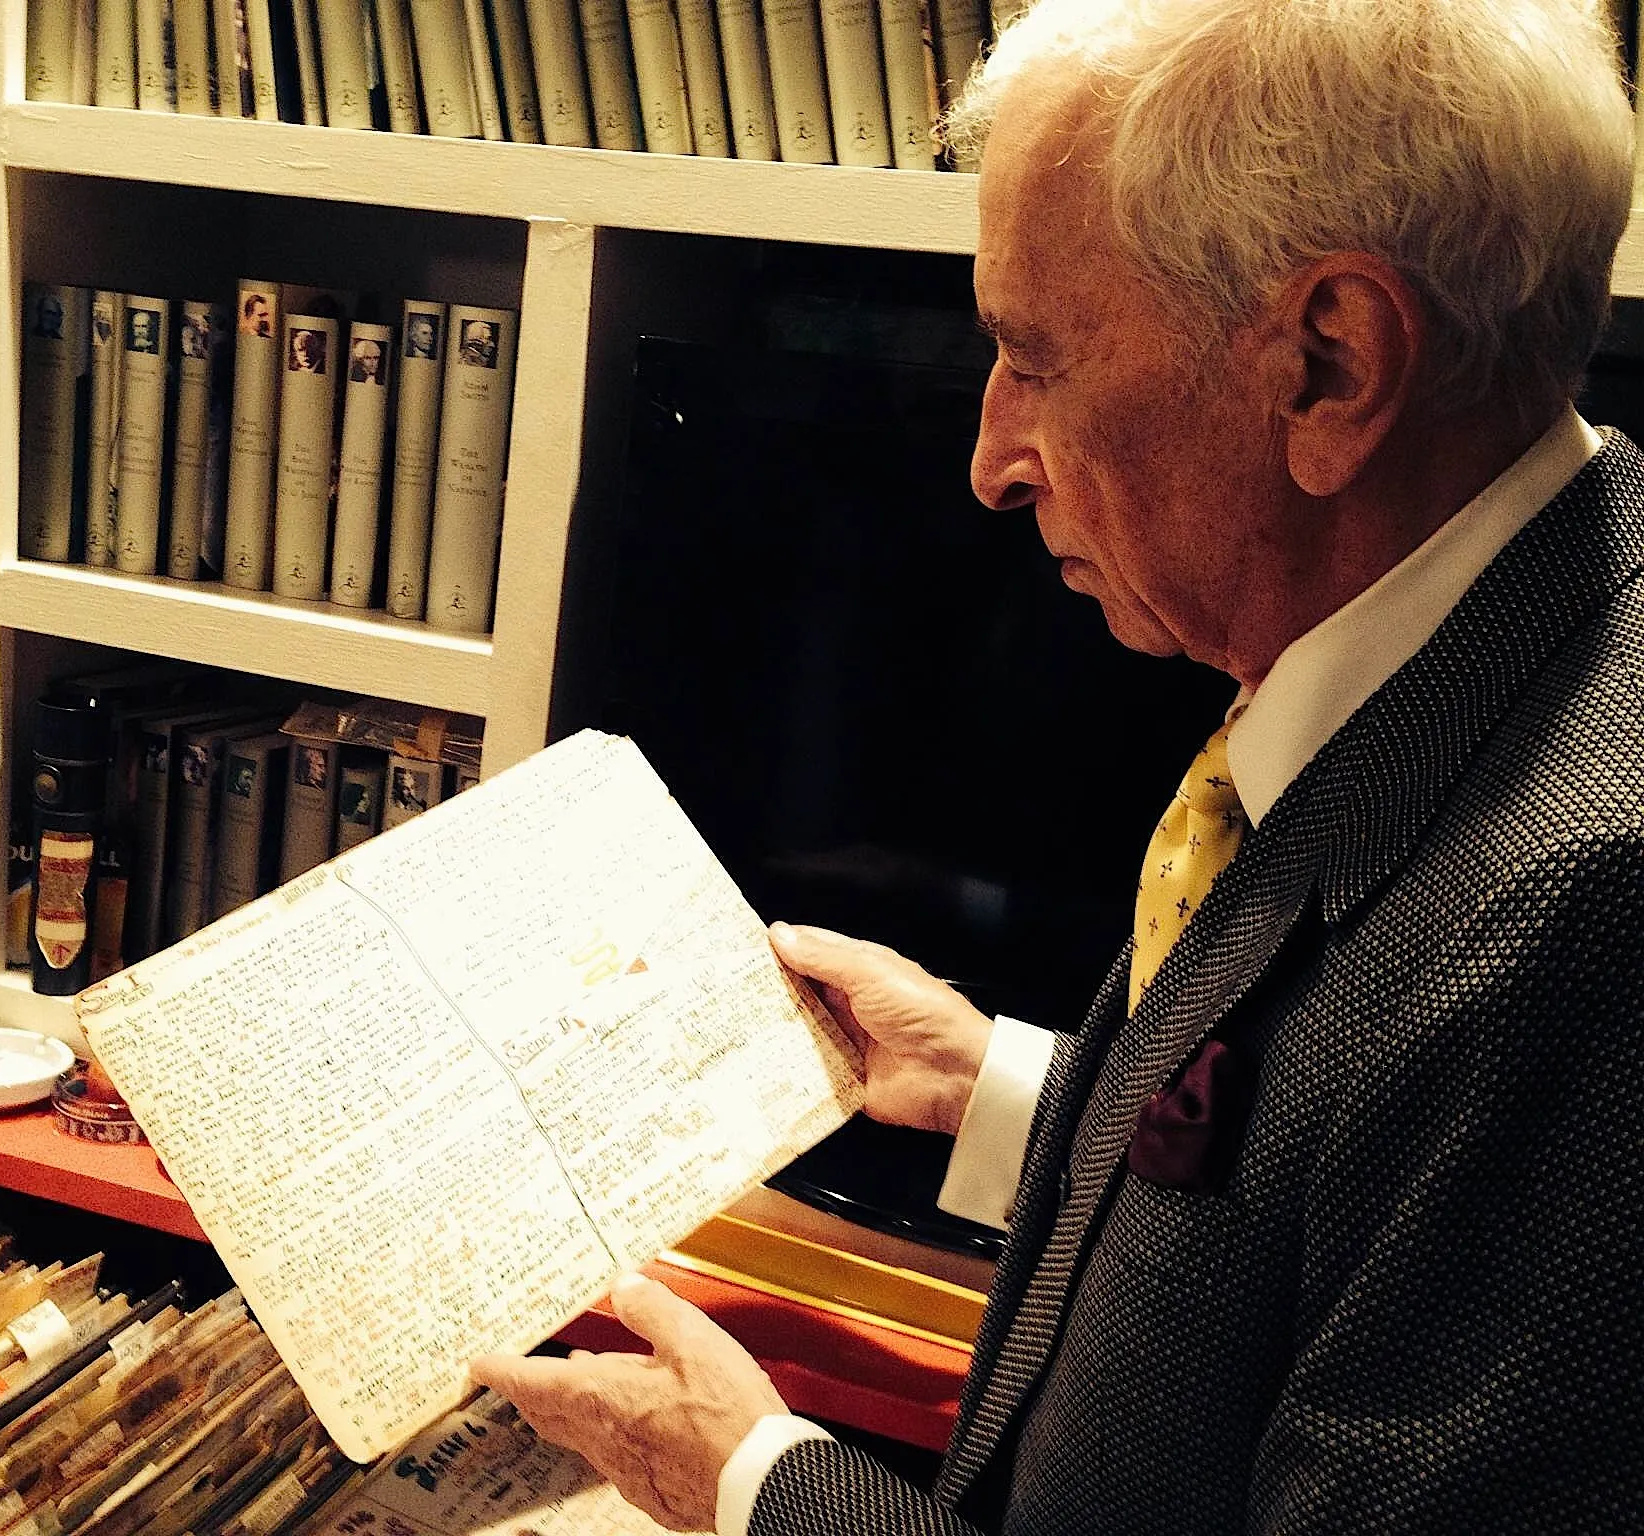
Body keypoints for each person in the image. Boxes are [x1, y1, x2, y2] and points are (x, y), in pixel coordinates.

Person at [472, 1, 1644, 1531]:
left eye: (1034, 357)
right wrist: (1009, 1094)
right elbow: (1332, 1195)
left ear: (1332, 365)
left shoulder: (1582, 921)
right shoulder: (1506, 631)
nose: (990, 459)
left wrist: (762, 1487)